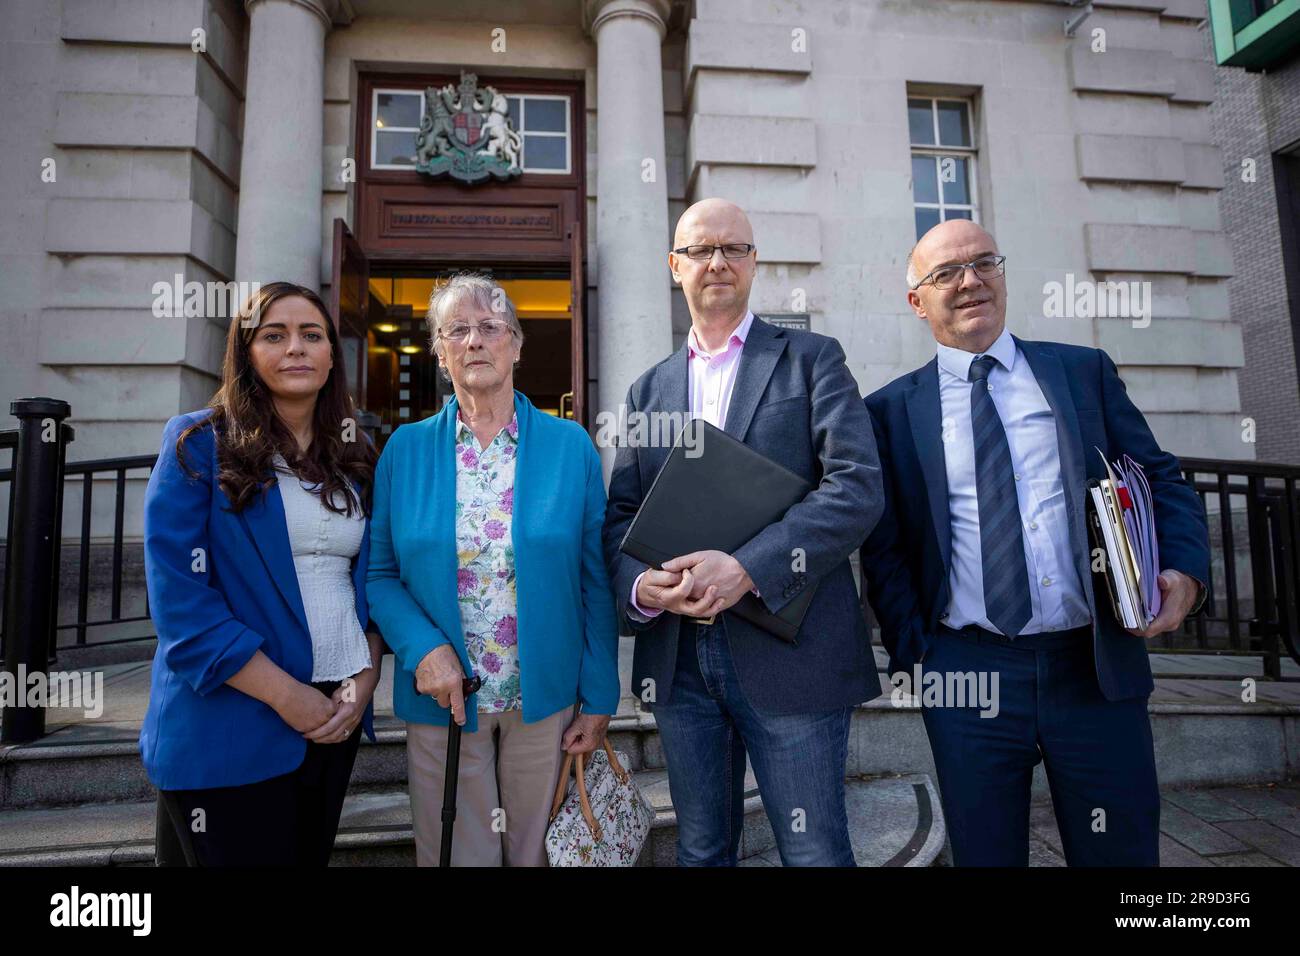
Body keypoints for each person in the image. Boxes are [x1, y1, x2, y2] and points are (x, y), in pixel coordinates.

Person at [859, 219, 1210, 866]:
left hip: (1094, 662)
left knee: (1120, 855)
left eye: (984, 262)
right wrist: (920, 654)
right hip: (967, 672)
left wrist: (1185, 572)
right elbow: (886, 549)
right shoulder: (889, 411)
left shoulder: (1081, 373)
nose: (970, 281)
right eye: (945, 273)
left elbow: (1159, 477)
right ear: (918, 301)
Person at [603, 198, 885, 866]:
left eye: (734, 248)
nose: (717, 263)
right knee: (701, 849)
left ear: (755, 263)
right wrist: (645, 586)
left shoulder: (813, 360)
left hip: (794, 653)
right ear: (676, 267)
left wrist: (750, 567)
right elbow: (621, 517)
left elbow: (856, 484)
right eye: (700, 250)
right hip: (680, 660)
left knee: (814, 850)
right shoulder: (648, 391)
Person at [367, 273, 619, 867]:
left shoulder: (570, 446)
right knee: (455, 853)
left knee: (536, 854)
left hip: (546, 693)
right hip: (443, 696)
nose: (475, 341)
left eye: (490, 327)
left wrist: (601, 693)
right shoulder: (404, 449)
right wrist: (422, 649)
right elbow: (379, 573)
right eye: (457, 330)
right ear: (439, 350)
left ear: (517, 344)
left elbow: (595, 579)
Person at [142, 281, 382, 866]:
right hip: (231, 721)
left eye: (312, 335)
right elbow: (182, 605)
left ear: (332, 356)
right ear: (247, 353)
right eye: (274, 335)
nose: (295, 348)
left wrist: (364, 682)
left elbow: (375, 586)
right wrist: (287, 697)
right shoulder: (198, 443)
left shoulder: (355, 456)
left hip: (333, 720)